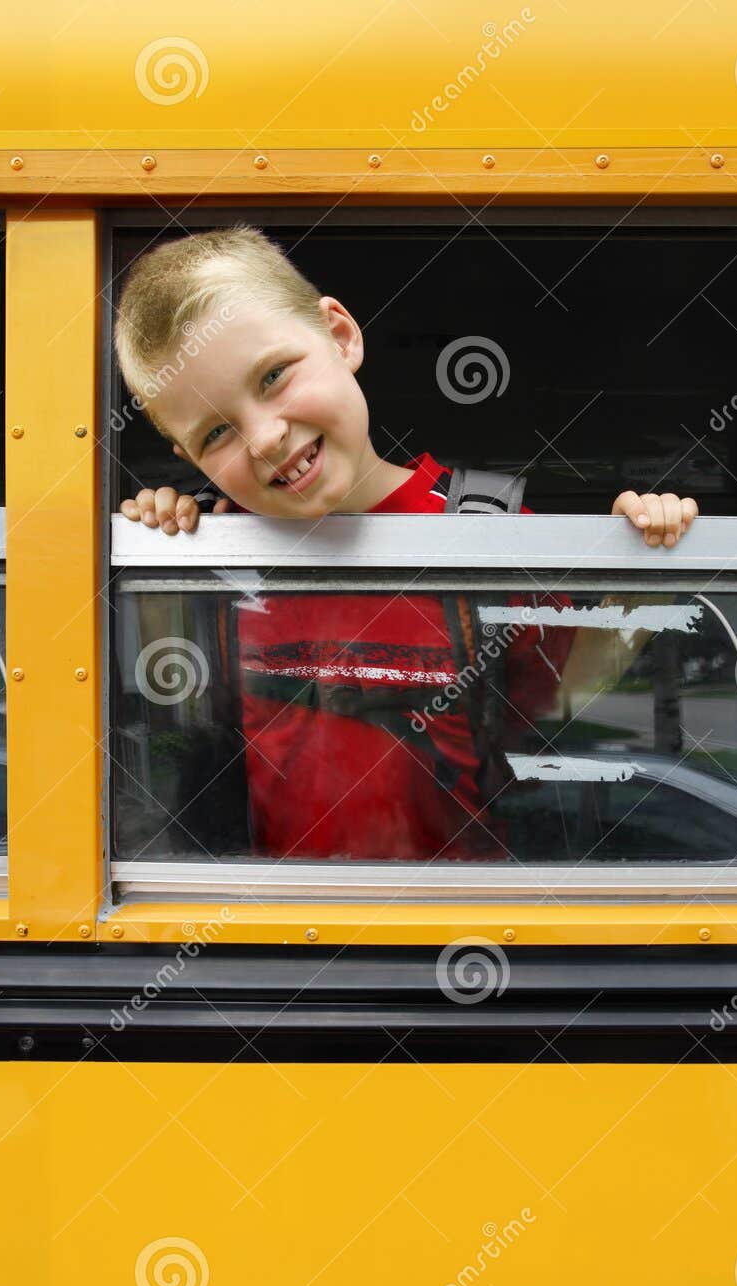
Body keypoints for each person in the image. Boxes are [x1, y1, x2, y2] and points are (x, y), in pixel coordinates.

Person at [114, 226, 698, 860]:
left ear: (340, 336)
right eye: (217, 434)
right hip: (282, 931)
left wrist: (639, 554)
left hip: (467, 919)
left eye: (273, 376)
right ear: (189, 459)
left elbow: (573, 700)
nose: (264, 439)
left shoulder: (489, 536)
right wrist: (165, 536)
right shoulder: (214, 564)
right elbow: (170, 727)